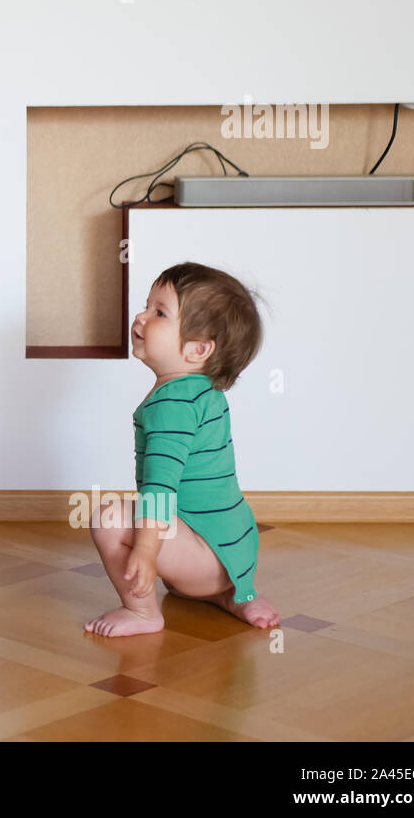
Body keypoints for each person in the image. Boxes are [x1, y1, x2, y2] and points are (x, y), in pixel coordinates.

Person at [85, 262, 281, 636]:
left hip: (206, 557)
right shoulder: (204, 392)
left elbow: (160, 490)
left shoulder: (172, 404)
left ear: (198, 349)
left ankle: (142, 612)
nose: (141, 317)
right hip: (234, 550)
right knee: (173, 520)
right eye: (146, 306)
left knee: (108, 520)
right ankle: (233, 594)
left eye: (160, 313)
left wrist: (145, 551)